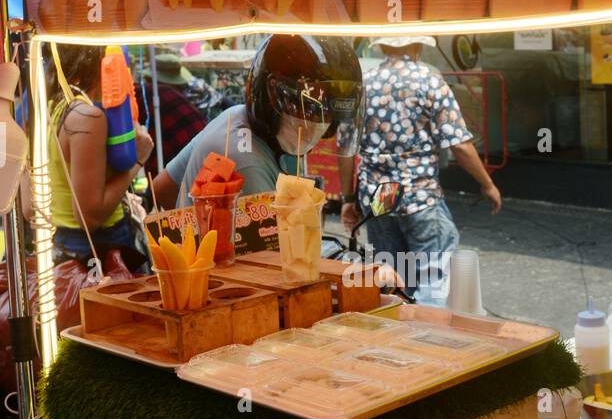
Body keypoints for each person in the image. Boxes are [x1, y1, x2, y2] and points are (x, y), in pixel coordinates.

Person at [353, 35, 501, 304]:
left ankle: (396, 339)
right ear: (418, 47)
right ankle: (426, 337)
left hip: (378, 201)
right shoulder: (430, 81)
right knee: (433, 280)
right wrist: (487, 184)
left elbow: (345, 146)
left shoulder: (365, 83)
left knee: (392, 280)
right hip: (419, 196)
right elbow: (460, 145)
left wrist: (345, 198)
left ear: (384, 47)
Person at [152, 34, 362, 208]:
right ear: (269, 100)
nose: (317, 122)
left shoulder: (233, 116)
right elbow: (272, 257)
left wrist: (199, 230)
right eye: (305, 109)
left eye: (326, 114)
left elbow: (163, 188)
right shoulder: (248, 165)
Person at [26, 45, 154, 263]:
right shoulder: (87, 117)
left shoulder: (47, 108)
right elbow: (89, 217)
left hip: (61, 246)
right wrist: (139, 160)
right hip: (97, 248)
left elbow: (29, 209)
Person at [135, 53, 205, 169]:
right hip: (199, 164)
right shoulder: (171, 98)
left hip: (181, 169)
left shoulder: (152, 95)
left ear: (148, 78)